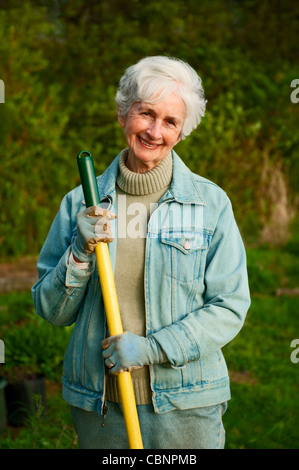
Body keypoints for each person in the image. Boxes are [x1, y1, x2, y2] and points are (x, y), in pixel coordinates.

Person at [32, 56, 250, 449]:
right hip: (101, 409)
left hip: (186, 409)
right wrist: (79, 252)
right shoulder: (79, 203)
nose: (154, 130)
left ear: (182, 132)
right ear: (122, 114)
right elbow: (52, 311)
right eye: (145, 113)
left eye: (170, 121)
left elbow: (229, 306)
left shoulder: (210, 205)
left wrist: (152, 348)